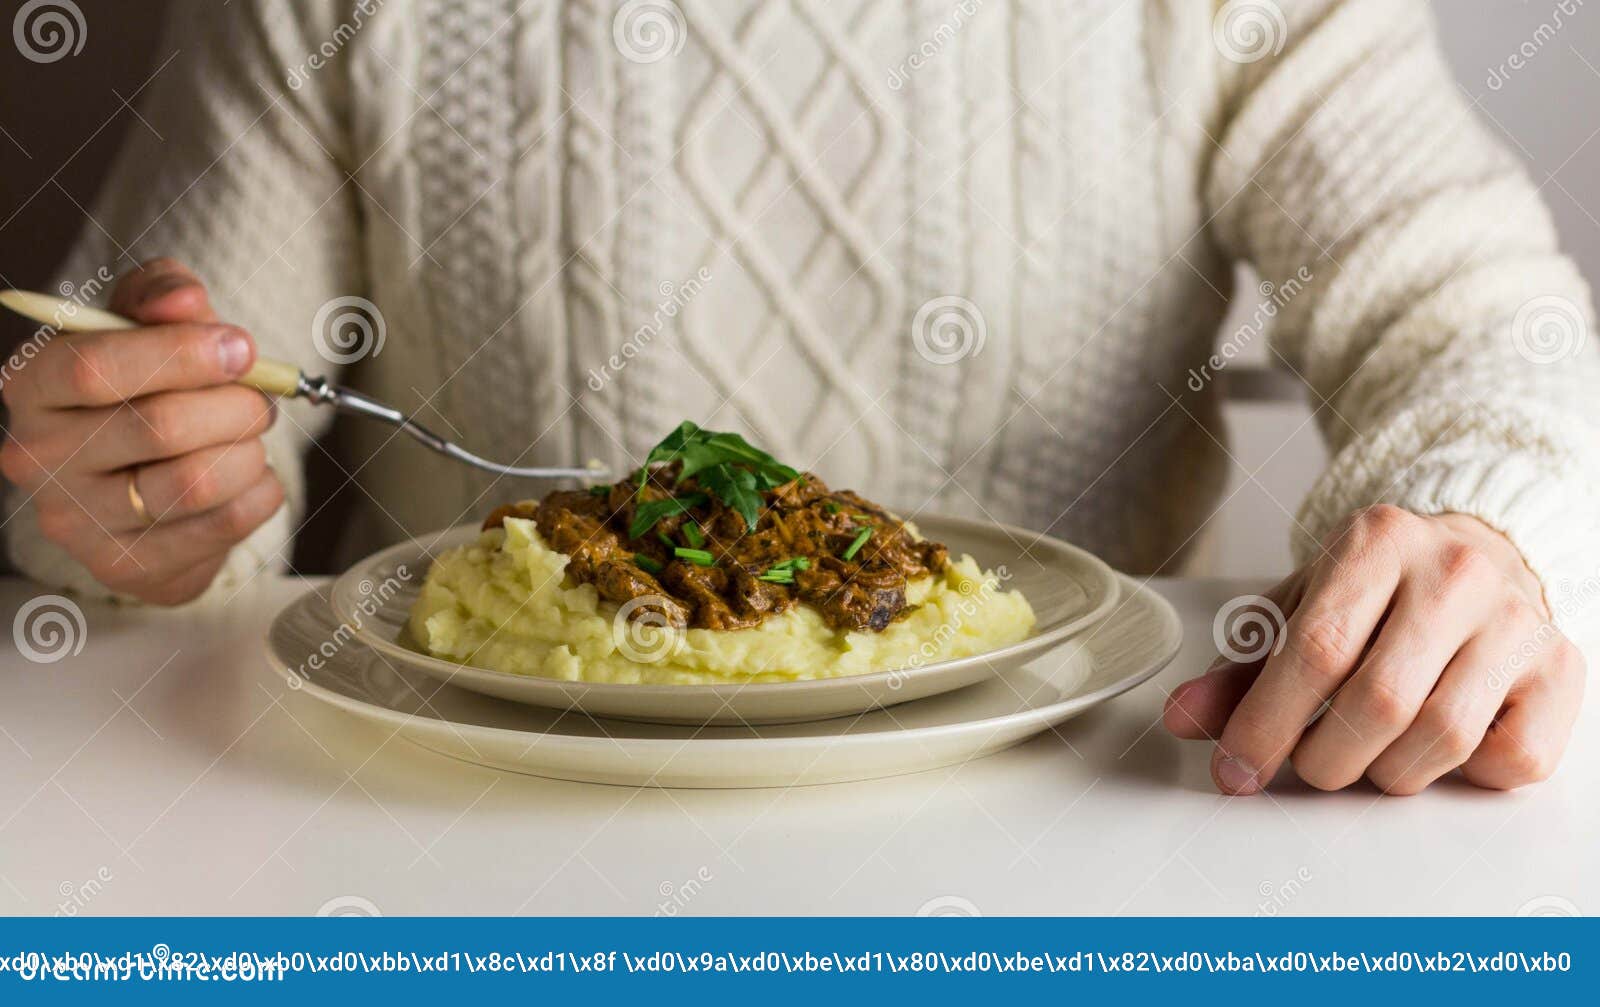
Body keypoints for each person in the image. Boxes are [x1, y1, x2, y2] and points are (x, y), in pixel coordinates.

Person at [1, 0, 1594, 796]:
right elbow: (150, 463)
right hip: (474, 826)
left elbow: (1471, 310)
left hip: (1075, 814)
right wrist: (114, 500)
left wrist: (1487, 527)